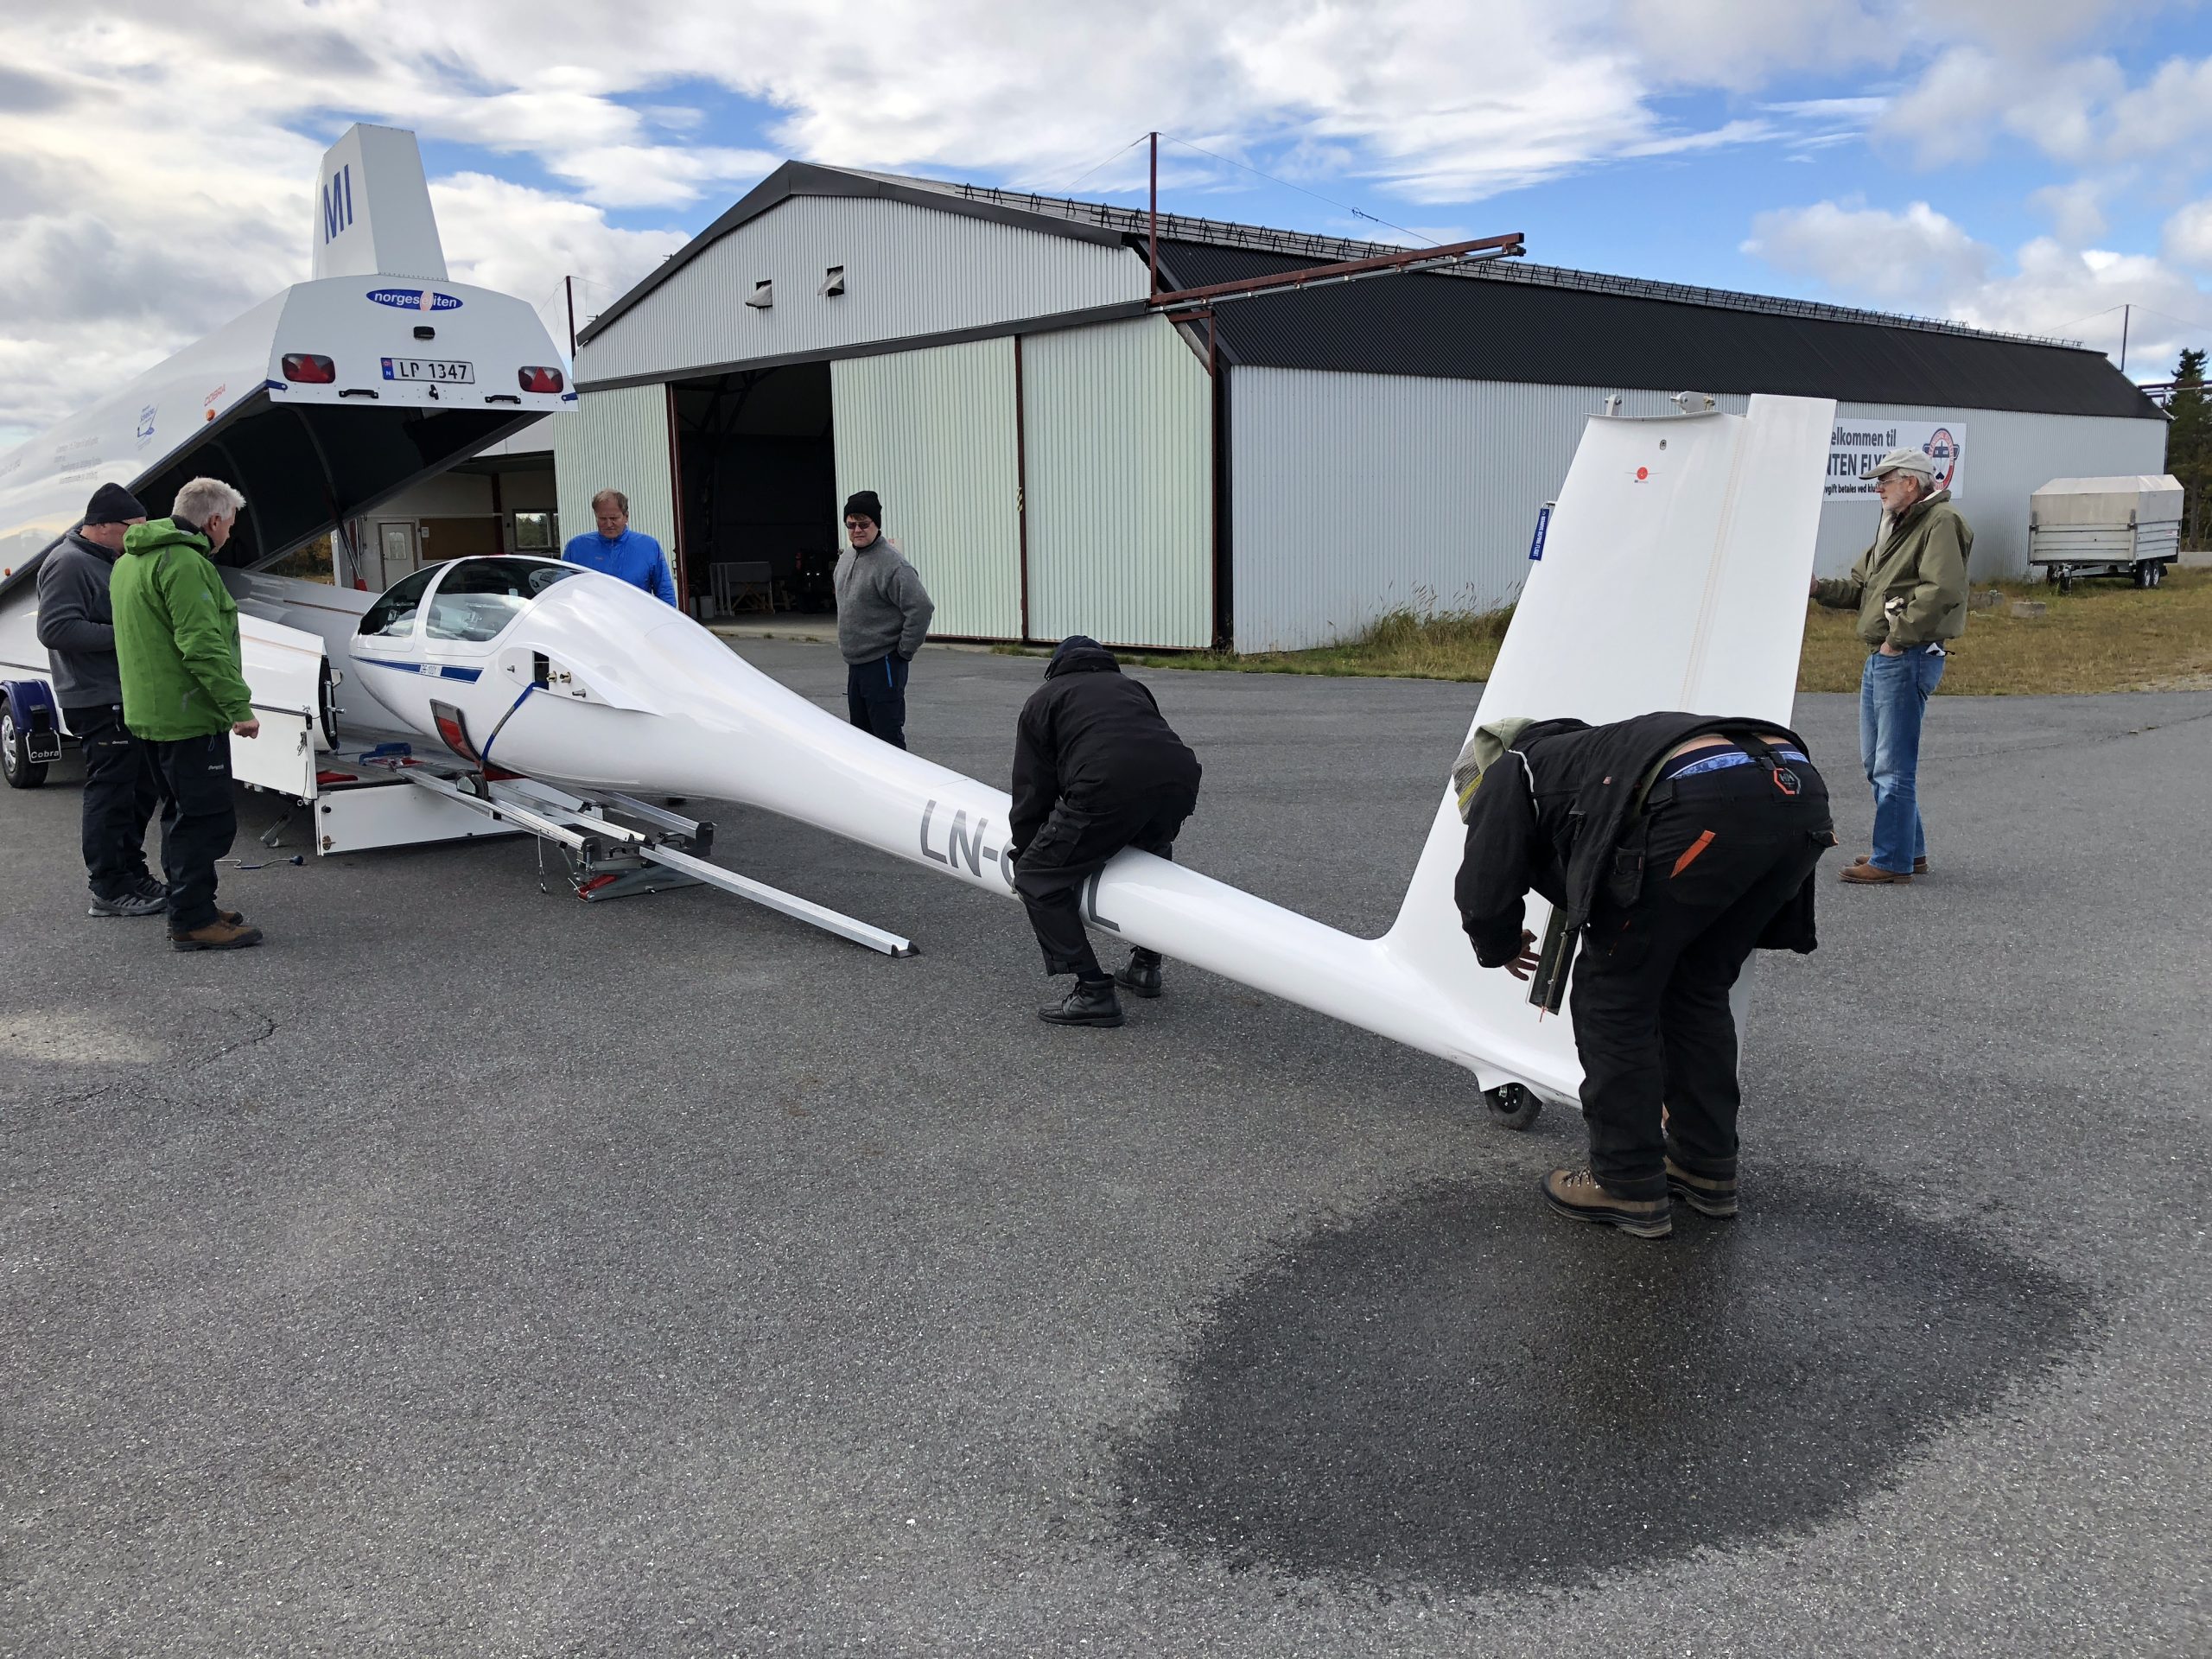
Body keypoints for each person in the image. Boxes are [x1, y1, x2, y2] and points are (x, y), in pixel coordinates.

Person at [1453, 713, 1834, 1238]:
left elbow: (1485, 880)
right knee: (1697, 989)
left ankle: (1625, 1180)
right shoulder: (1589, 754)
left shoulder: (1510, 770)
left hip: (1706, 800)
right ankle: (1704, 1165)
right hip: (1796, 786)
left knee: (1613, 998)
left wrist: (1498, 944)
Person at [1009, 635, 1203, 1027]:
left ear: (1056, 666)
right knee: (1148, 861)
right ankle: (1146, 965)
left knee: (1036, 878)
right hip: (1180, 779)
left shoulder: (1044, 699)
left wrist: (1031, 853)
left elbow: (1033, 790)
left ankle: (1093, 991)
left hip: (1107, 783)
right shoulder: (1131, 687)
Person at [111, 478, 264, 951]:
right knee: (206, 820)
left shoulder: (130, 561)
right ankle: (193, 921)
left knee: (179, 814)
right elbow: (201, 643)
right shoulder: (184, 563)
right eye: (230, 524)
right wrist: (238, 707)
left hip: (151, 712)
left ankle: (192, 904)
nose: (229, 534)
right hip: (189, 716)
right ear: (214, 520)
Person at [1811, 448, 1971, 885]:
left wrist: (1896, 641)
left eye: (1885, 480)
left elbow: (1942, 590)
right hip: (1886, 656)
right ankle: (1906, 850)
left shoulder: (1940, 521)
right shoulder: (1894, 524)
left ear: (1911, 483)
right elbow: (1863, 587)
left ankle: (1891, 860)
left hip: (1905, 655)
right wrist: (1818, 588)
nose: (1878, 488)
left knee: (1891, 765)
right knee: (1877, 761)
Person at [37, 483, 166, 918]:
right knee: (111, 793)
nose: (139, 535)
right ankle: (108, 888)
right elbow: (55, 629)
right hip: (96, 699)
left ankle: (132, 872)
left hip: (124, 694)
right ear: (104, 525)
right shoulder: (69, 562)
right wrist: (130, 635)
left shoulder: (109, 559)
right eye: (134, 527)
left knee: (139, 788)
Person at [834, 491, 933, 749]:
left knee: (887, 740)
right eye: (851, 525)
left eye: (863, 524)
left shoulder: (893, 565)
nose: (857, 530)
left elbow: (921, 608)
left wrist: (904, 651)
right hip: (856, 665)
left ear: (877, 524)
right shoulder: (846, 558)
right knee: (861, 738)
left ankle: (902, 777)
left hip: (884, 664)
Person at [563, 488, 678, 606]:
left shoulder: (649, 547)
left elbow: (665, 594)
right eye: (602, 519)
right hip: (591, 617)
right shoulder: (576, 548)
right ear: (596, 516)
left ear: (626, 516)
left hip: (636, 616)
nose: (608, 524)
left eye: (614, 518)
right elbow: (562, 591)